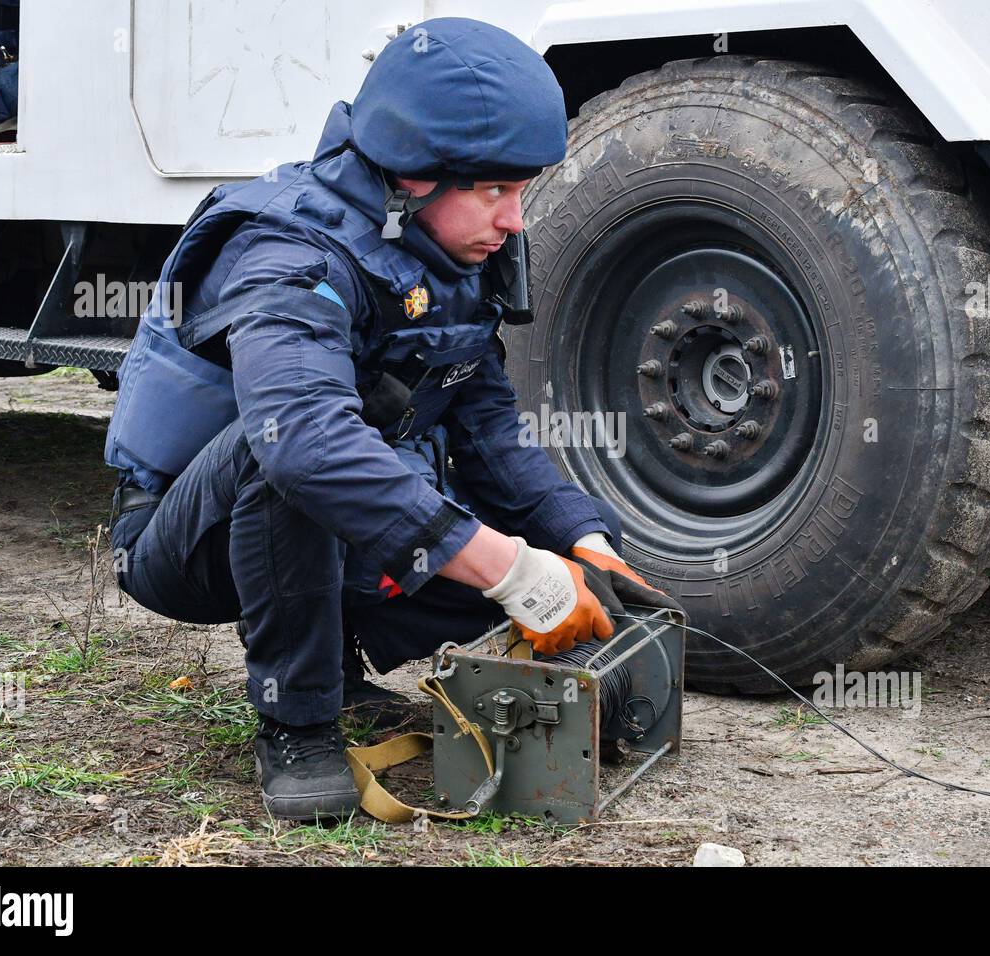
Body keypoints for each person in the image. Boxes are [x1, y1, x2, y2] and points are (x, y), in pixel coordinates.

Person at [103, 17, 683, 819]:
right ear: (414, 177)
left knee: (535, 579)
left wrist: (580, 545)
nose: (515, 219)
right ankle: (297, 724)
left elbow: (485, 428)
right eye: (494, 191)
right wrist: (510, 568)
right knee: (292, 453)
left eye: (522, 191)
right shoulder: (287, 251)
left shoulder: (447, 259)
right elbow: (303, 444)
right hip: (183, 545)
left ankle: (339, 669)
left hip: (330, 529)